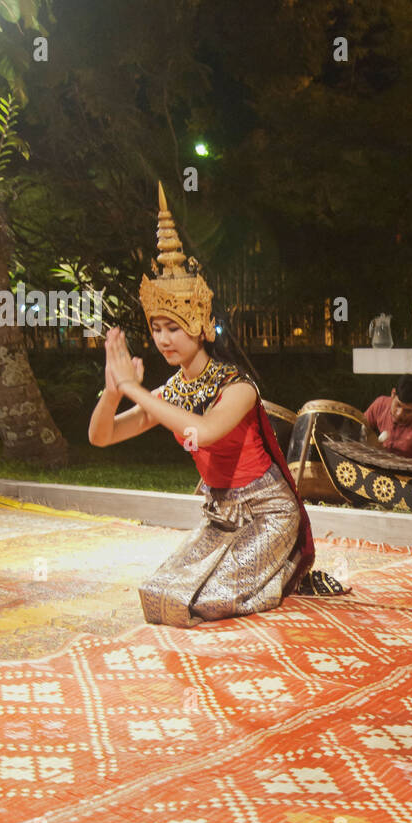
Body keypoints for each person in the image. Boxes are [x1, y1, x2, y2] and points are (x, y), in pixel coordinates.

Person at [88, 183, 316, 627]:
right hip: (220, 516)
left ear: (198, 323)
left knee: (206, 603)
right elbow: (102, 436)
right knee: (160, 598)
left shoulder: (238, 385)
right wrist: (115, 390)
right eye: (156, 328)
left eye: (173, 326)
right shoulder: (170, 392)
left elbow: (206, 430)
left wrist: (136, 391)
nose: (163, 339)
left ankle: (281, 567)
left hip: (268, 515)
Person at [364, 376, 412, 460]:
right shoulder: (380, 404)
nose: (399, 414)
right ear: (393, 393)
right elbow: (359, 429)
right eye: (398, 405)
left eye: (408, 411)